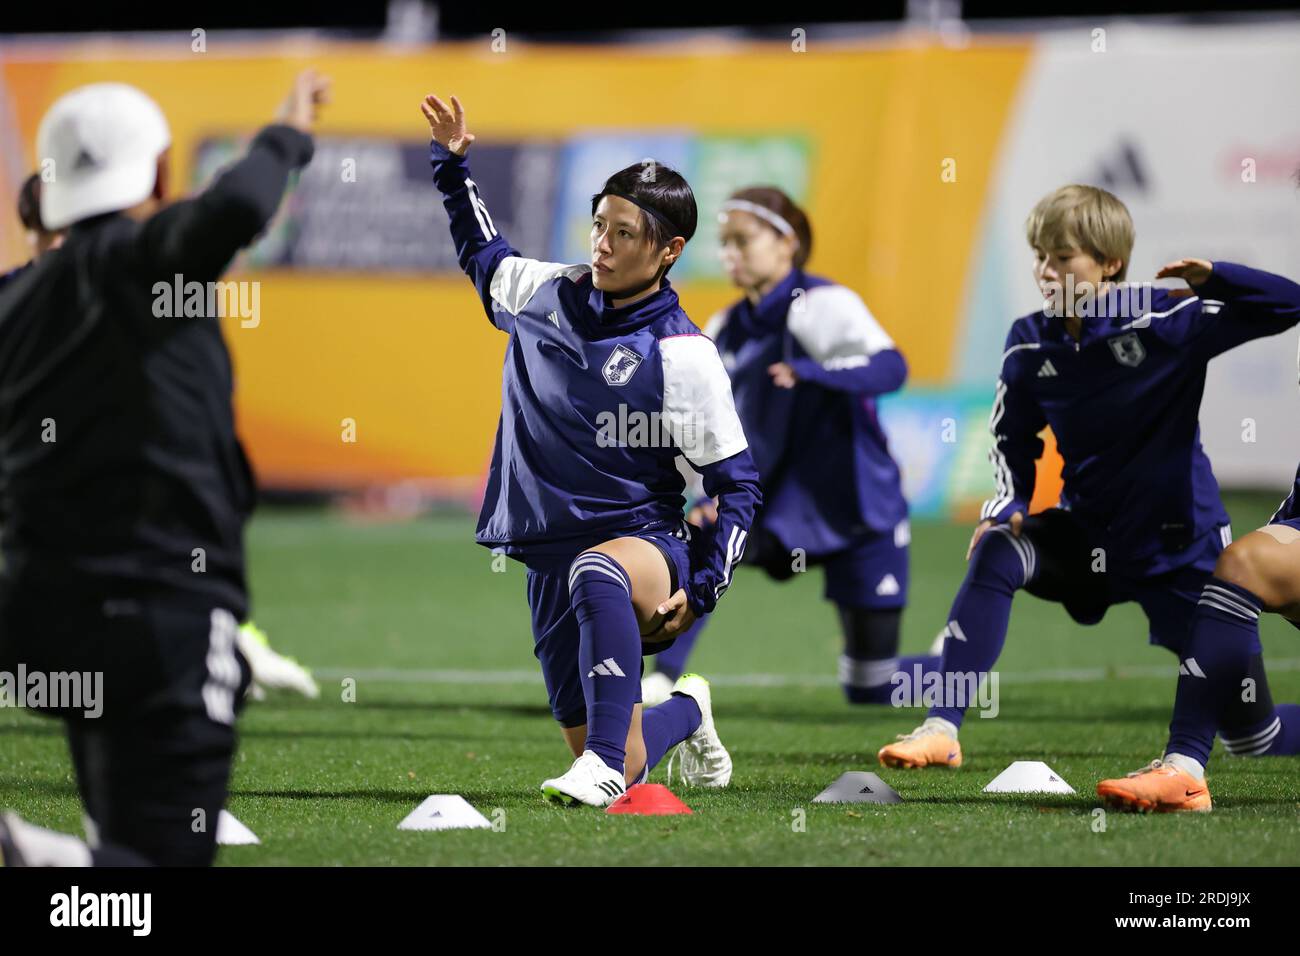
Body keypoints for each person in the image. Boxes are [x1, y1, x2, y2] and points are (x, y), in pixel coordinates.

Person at [0, 71, 328, 866]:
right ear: (152, 173)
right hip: (157, 615)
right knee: (152, 868)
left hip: (37, 611)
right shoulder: (149, 261)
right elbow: (239, 205)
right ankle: (40, 858)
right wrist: (287, 130)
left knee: (122, 858)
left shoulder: (13, 302)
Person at [873, 184, 1300, 771]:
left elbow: (1289, 303)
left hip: (1182, 550)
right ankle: (942, 725)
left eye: (1062, 256)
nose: (1046, 271)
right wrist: (1009, 500)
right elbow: (1010, 436)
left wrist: (1218, 279)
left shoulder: (1169, 317)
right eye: (1039, 255)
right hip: (1091, 538)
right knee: (1000, 547)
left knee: (1256, 738)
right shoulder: (1029, 340)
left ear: (1110, 264)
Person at [421, 92, 762, 806]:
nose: (602, 245)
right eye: (598, 225)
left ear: (668, 251)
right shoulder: (543, 294)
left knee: (596, 574)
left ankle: (601, 764)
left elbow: (738, 487)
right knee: (630, 758)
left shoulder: (683, 354)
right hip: (547, 554)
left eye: (624, 233)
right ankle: (686, 711)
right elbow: (481, 253)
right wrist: (453, 167)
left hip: (638, 543)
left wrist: (701, 592)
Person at [642, 186, 937, 707]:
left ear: (787, 243)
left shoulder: (823, 304)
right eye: (724, 243)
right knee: (702, 535)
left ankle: (951, 661)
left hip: (857, 507)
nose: (730, 254)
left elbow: (892, 368)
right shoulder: (725, 328)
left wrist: (812, 372)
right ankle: (663, 679)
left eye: (743, 240)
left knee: (870, 687)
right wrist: (702, 489)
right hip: (776, 508)